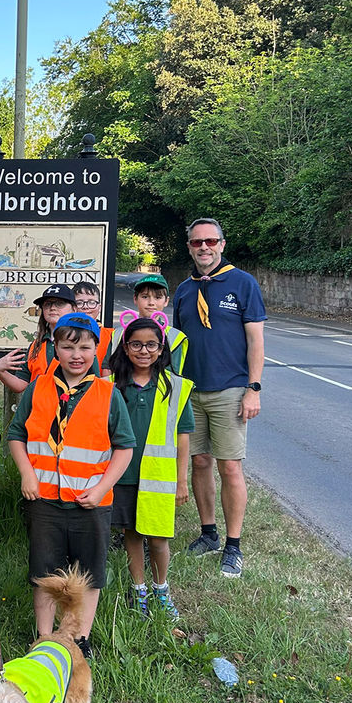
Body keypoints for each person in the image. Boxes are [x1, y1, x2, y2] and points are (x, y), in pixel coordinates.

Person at [6, 313, 135, 659]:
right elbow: (17, 435)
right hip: (44, 499)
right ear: (55, 349)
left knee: (89, 571)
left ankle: (79, 638)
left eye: (85, 347)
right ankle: (45, 637)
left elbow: (124, 447)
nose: (76, 355)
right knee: (44, 570)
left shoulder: (108, 394)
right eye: (67, 347)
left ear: (97, 349)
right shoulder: (39, 388)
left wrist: (101, 487)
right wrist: (27, 474)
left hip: (90, 501)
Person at [171, 218, 265, 579]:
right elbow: (176, 343)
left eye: (211, 241)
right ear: (190, 247)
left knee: (230, 467)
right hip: (190, 392)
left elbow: (256, 340)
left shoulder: (243, 284)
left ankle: (233, 545)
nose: (204, 247)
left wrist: (253, 388)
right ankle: (208, 533)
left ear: (222, 244)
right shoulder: (183, 290)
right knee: (199, 463)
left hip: (230, 389)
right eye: (197, 243)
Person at [106, 317, 194, 618]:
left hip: (160, 477)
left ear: (161, 349)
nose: (144, 351)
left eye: (151, 345)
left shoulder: (176, 388)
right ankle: (139, 588)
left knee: (158, 537)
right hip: (123, 474)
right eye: (136, 344)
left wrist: (182, 480)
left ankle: (161, 588)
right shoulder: (111, 386)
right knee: (132, 531)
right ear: (126, 348)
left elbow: (183, 437)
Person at [0, 283, 81, 394]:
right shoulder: (36, 345)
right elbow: (21, 384)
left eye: (60, 303)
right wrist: (0, 371)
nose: (52, 308)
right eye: (47, 304)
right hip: (39, 408)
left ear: (74, 308)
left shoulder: (83, 342)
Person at [108, 276, 189, 374]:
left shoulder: (175, 338)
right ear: (135, 298)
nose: (151, 303)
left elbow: (173, 376)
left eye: (158, 297)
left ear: (166, 301)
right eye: (145, 297)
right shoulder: (118, 334)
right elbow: (108, 369)